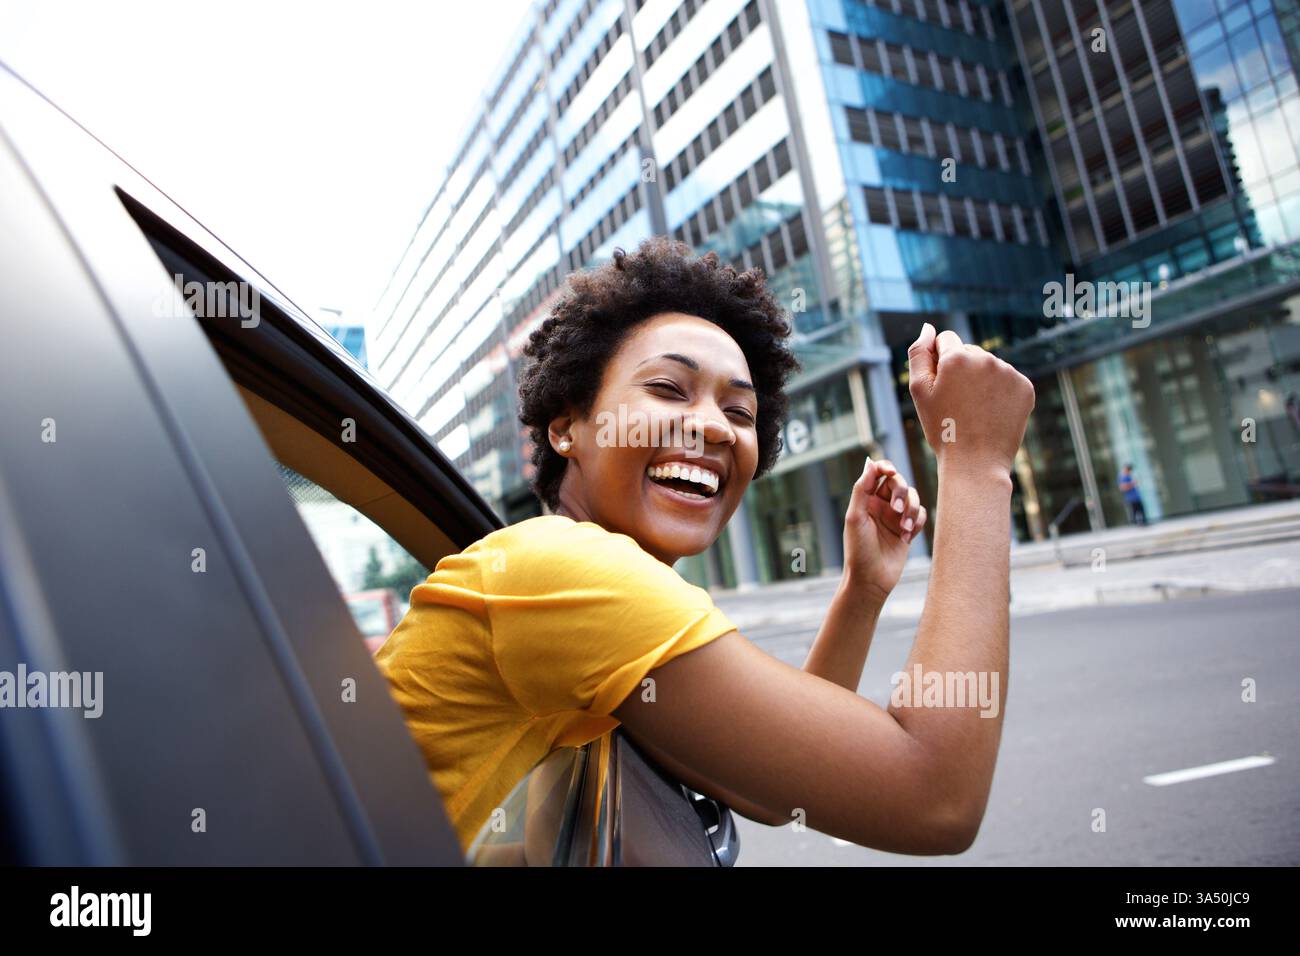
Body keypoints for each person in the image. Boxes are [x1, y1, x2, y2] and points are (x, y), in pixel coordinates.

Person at [375, 237, 1035, 858]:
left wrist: (861, 590)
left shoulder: (565, 580)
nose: (711, 428)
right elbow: (935, 798)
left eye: (740, 413)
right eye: (666, 389)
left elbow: (777, 787)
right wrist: (977, 463)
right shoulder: (561, 570)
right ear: (566, 427)